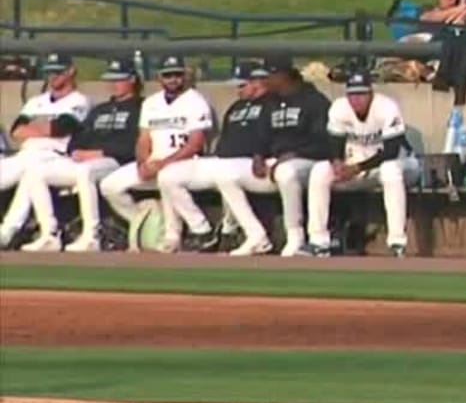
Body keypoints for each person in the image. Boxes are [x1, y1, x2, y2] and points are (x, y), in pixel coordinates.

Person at [10, 58, 142, 253]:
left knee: (85, 171)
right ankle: (49, 234)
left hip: (116, 161)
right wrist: (76, 151)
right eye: (111, 79)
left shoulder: (141, 107)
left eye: (120, 79)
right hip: (88, 160)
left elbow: (132, 144)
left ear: (132, 80)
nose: (114, 84)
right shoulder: (100, 110)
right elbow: (79, 138)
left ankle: (92, 235)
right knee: (36, 173)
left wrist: (99, 153)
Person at [151, 61, 276, 257]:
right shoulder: (236, 106)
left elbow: (271, 138)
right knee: (168, 176)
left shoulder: (273, 104)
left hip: (254, 163)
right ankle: (201, 230)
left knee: (224, 174)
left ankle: (255, 236)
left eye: (242, 85)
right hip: (222, 162)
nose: (238, 90)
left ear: (258, 82)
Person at [97, 55, 217, 254]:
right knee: (109, 186)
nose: (173, 79)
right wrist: (142, 163)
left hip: (185, 162)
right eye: (168, 75)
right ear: (159, 77)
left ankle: (179, 234)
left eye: (177, 75)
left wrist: (164, 163)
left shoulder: (196, 101)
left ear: (184, 76)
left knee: (167, 178)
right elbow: (144, 138)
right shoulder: (151, 103)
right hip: (154, 162)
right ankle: (146, 221)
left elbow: (196, 143)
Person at [306, 70, 419, 257]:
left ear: (371, 93)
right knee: (320, 170)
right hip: (358, 165)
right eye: (352, 94)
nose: (356, 99)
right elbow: (333, 142)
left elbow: (391, 151)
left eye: (361, 94)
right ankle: (318, 241)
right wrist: (336, 162)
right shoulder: (339, 108)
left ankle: (397, 242)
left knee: (390, 170)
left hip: (402, 165)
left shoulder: (386, 107)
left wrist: (356, 168)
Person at [0, 54, 93, 249]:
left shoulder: (79, 100)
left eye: (58, 71)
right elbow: (17, 130)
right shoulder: (36, 101)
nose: (53, 76)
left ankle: (7, 231)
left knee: (32, 173)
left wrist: (36, 127)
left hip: (55, 156)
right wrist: (44, 127)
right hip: (25, 154)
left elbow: (60, 128)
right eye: (49, 72)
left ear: (70, 72)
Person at [250, 57, 333, 256]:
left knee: (286, 172)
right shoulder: (270, 102)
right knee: (227, 176)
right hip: (275, 161)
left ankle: (295, 236)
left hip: (309, 161)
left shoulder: (314, 100)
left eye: (270, 76)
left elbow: (323, 142)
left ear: (284, 76)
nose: (266, 81)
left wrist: (296, 153)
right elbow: (261, 135)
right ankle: (251, 235)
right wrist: (258, 156)